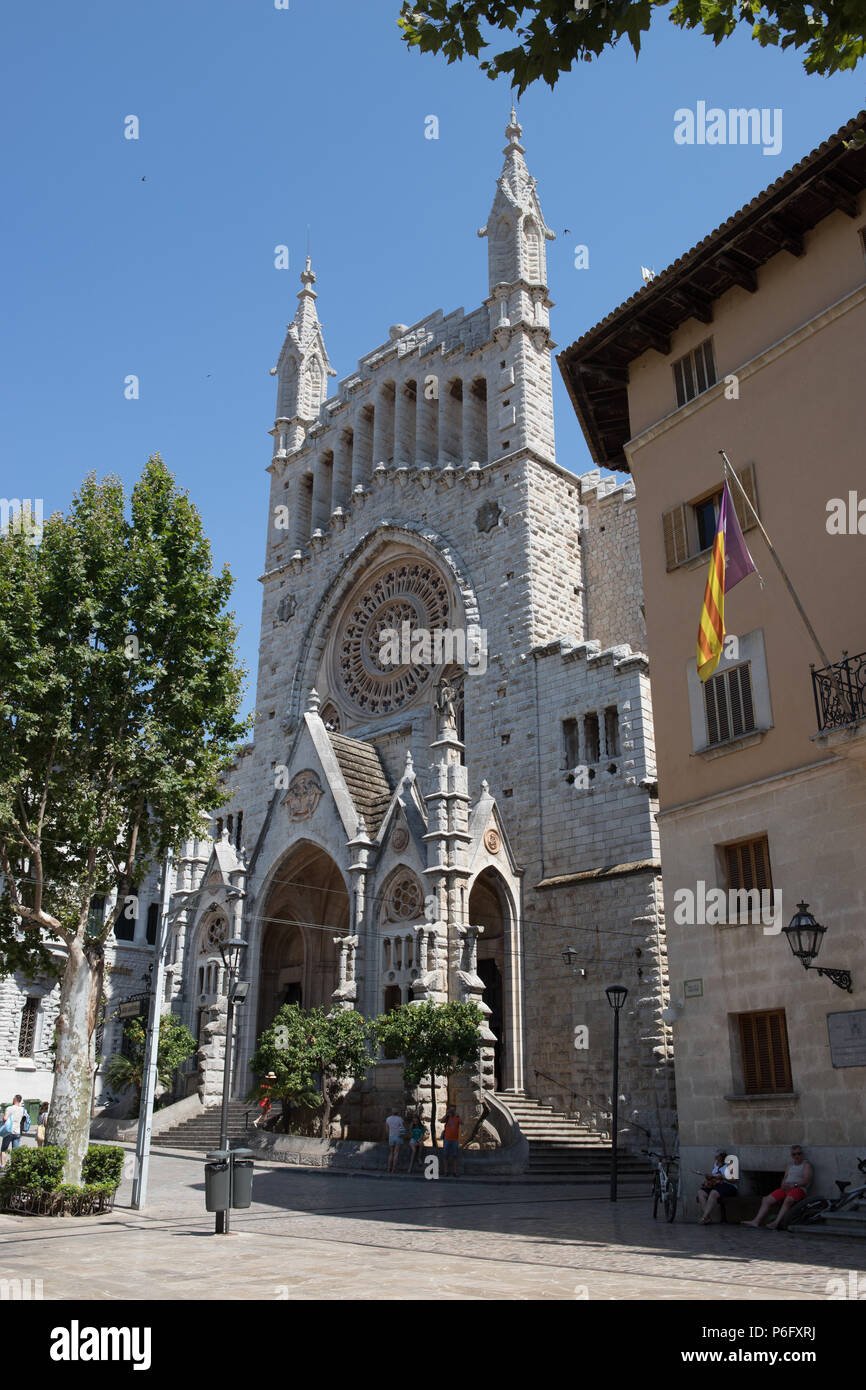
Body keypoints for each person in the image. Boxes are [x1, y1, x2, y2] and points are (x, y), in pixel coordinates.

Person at [743, 1146, 813, 1229]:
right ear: (792, 1155)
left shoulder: (806, 1165)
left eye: (799, 1153)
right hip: (786, 1188)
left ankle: (776, 1223)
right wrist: (783, 1184)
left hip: (798, 1189)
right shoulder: (789, 1166)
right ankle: (756, 1221)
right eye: (794, 1154)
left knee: (788, 1200)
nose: (797, 1156)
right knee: (766, 1199)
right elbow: (785, 1178)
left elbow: (806, 1181)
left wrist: (794, 1185)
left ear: (802, 1154)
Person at [697, 1150, 738, 1224]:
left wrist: (722, 1177)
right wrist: (709, 1177)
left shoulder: (729, 1164)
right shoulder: (715, 1164)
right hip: (716, 1185)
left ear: (722, 1156)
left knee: (713, 1193)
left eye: (717, 1156)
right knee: (701, 1192)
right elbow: (714, 1175)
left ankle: (704, 1217)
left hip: (728, 1185)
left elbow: (735, 1180)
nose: (715, 1157)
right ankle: (708, 1218)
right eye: (715, 1156)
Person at [0, 1095, 26, 1168]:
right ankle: (14, 1166)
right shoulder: (22, 1109)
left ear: (15, 1100)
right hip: (17, 1132)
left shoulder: (9, 1108)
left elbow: (5, 1118)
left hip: (9, 1131)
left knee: (4, 1149)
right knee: (15, 1151)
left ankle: (3, 1165)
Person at [442, 1104, 461, 1177]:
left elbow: (462, 1122)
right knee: (445, 1155)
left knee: (455, 1156)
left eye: (453, 1109)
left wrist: (458, 1116)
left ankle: (455, 1171)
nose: (452, 1111)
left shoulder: (457, 1117)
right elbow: (442, 1121)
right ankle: (446, 1171)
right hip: (447, 1139)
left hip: (455, 1139)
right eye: (451, 1109)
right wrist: (447, 1114)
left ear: (455, 1110)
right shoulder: (447, 1117)